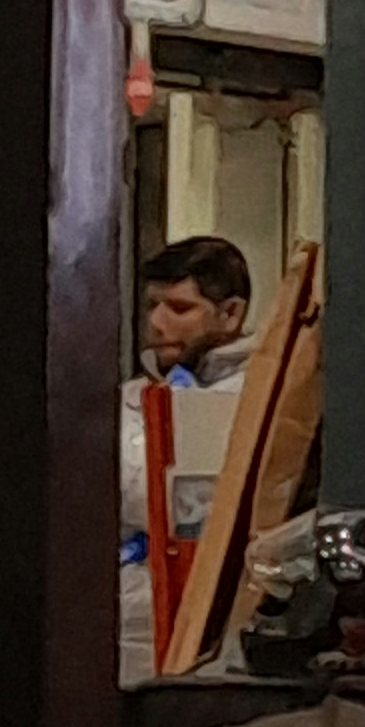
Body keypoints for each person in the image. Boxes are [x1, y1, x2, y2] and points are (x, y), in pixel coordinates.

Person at [125, 232, 254, 677]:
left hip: (211, 626)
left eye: (179, 308)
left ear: (230, 314)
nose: (157, 323)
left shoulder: (257, 401)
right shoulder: (131, 399)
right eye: (152, 306)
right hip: (129, 625)